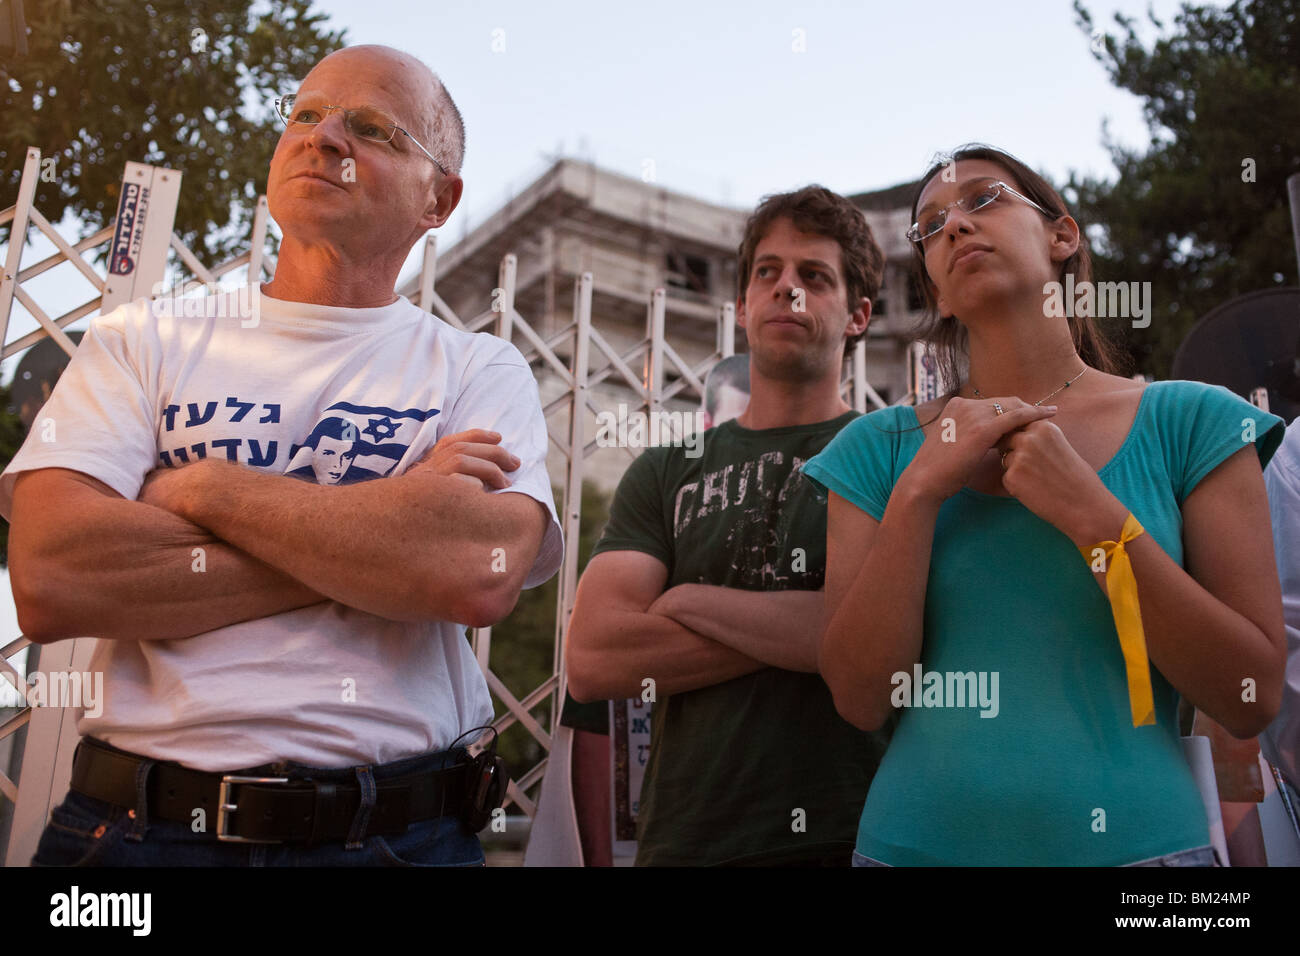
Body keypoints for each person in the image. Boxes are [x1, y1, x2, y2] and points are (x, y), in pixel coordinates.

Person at [1, 44, 563, 866]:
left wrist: (204, 488)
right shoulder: (142, 339)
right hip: (134, 836)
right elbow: (54, 576)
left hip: (401, 837)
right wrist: (391, 531)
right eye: (305, 114)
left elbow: (473, 570)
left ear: (438, 197)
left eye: (372, 127)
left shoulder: (479, 367)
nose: (324, 136)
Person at [803, 144, 1287, 866]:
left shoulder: (1194, 422)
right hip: (908, 850)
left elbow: (1249, 694)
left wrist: (1091, 515)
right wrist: (918, 494)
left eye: (984, 199)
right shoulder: (877, 449)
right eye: (931, 227)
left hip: (1145, 855)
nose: (956, 227)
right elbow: (861, 698)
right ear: (933, 286)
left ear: (1063, 235)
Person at [566, 185, 895, 866]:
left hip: (856, 836)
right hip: (687, 843)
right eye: (767, 272)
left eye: (814, 276)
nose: (787, 291)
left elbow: (890, 650)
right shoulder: (666, 470)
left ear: (859, 314)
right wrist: (820, 630)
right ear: (742, 306)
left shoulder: (893, 455)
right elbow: (595, 658)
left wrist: (689, 603)